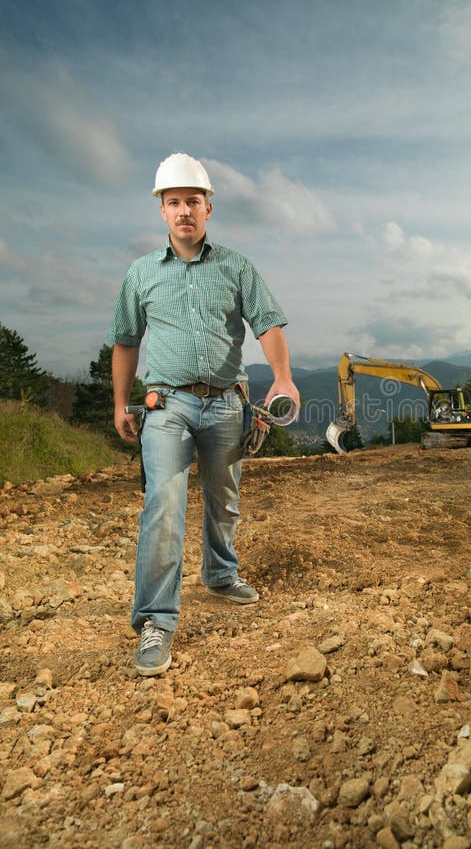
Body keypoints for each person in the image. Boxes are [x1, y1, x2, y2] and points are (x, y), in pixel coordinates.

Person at [110, 153, 300, 676]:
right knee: (163, 507)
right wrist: (119, 402)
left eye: (192, 201)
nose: (183, 211)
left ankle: (219, 573)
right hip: (165, 405)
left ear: (208, 208)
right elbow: (126, 342)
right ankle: (155, 620)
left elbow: (268, 326)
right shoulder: (141, 274)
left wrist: (282, 377)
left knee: (225, 498)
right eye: (174, 202)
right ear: (162, 211)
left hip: (226, 404)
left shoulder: (237, 267)